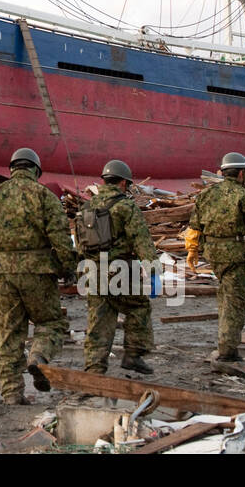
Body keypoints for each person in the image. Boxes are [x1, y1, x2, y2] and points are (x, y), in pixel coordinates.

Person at [0, 147, 75, 404]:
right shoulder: (45, 197)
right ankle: (38, 358)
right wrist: (68, 268)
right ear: (36, 170)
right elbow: (60, 237)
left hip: (2, 274)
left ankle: (12, 394)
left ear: (12, 168)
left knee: (9, 334)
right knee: (51, 324)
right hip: (38, 272)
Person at [186, 152, 245, 361]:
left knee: (224, 295)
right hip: (234, 254)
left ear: (222, 172)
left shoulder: (206, 194)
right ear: (241, 173)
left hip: (212, 253)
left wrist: (192, 250)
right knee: (235, 301)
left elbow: (194, 226)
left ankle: (224, 341)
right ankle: (227, 351)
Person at [79, 160, 158, 375]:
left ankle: (94, 367)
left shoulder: (88, 205)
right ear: (123, 183)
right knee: (138, 308)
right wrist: (153, 272)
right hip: (121, 270)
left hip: (93, 271)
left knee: (99, 317)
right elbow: (141, 240)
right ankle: (133, 355)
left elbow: (80, 244)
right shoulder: (126, 206)